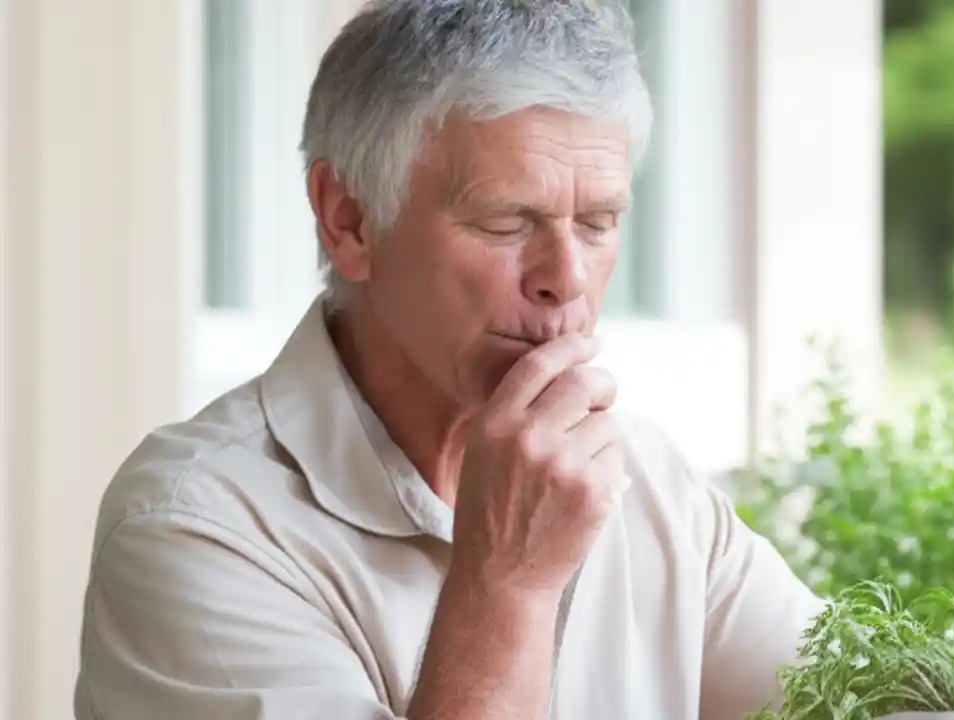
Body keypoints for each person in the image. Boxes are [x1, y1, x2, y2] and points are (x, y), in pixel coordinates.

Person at [74, 2, 821, 718]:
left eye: (598, 222)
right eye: (505, 221)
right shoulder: (194, 528)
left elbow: (873, 697)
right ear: (350, 219)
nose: (565, 277)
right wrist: (510, 583)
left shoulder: (651, 484)